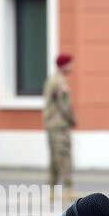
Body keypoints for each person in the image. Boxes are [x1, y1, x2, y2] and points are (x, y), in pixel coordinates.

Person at [42, 53, 77, 202]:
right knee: (64, 157)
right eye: (70, 63)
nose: (72, 66)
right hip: (59, 124)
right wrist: (72, 119)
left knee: (55, 158)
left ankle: (51, 190)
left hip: (52, 124)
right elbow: (64, 105)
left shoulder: (52, 80)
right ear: (64, 65)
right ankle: (67, 190)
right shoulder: (60, 82)